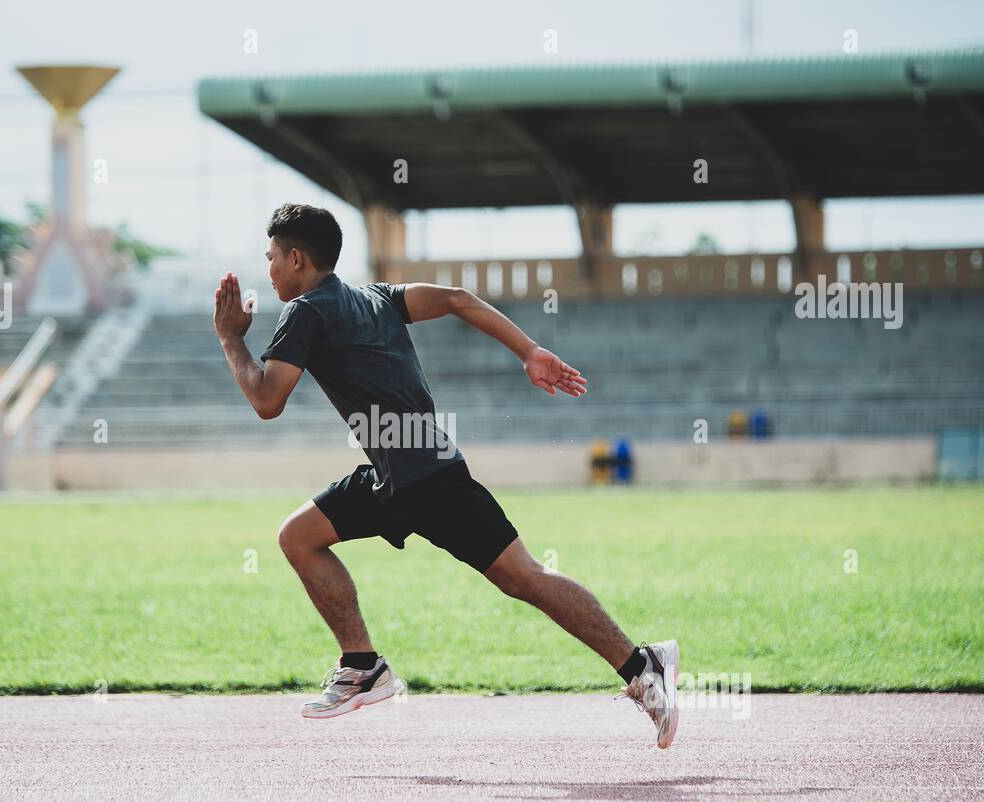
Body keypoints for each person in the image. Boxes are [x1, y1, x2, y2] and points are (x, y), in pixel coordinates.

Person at [213, 203, 679, 748]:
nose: (267, 270)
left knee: (524, 578)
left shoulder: (306, 313)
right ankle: (362, 666)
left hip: (426, 481)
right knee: (299, 536)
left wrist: (231, 338)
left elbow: (268, 400)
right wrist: (528, 350)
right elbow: (458, 299)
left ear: (296, 258)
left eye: (271, 258)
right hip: (400, 473)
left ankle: (641, 664)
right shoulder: (376, 297)